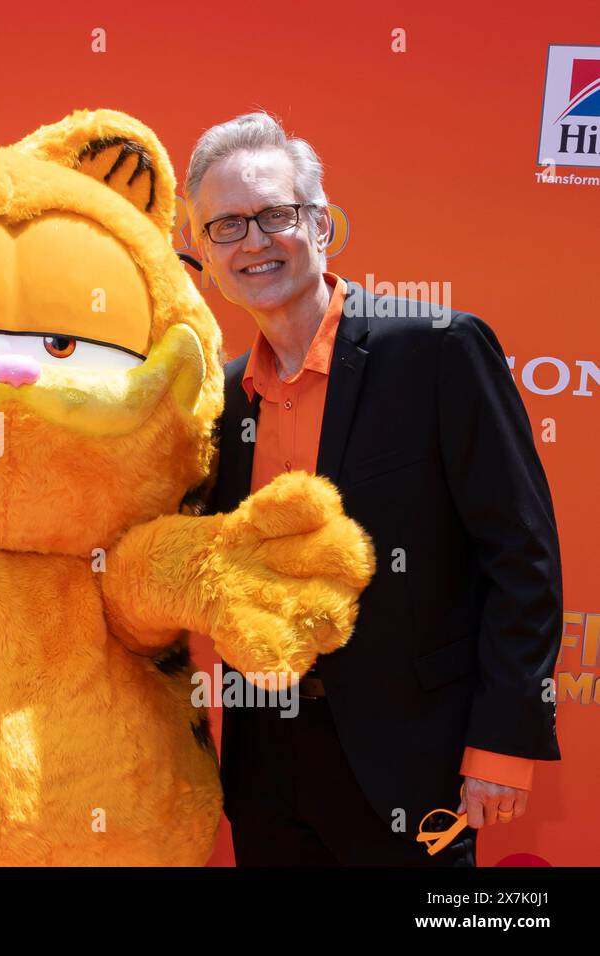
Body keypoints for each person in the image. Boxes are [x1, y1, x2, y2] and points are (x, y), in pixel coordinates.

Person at [185, 111, 563, 865]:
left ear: (321, 223)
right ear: (202, 250)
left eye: (275, 215)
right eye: (226, 226)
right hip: (265, 760)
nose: (253, 242)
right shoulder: (223, 398)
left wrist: (500, 747)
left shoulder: (436, 350)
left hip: (414, 758)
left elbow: (520, 557)